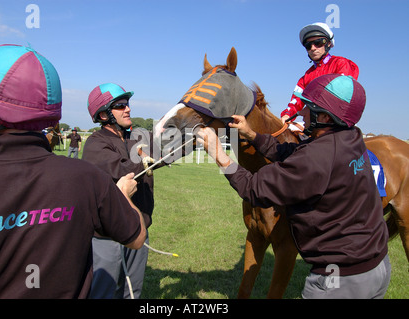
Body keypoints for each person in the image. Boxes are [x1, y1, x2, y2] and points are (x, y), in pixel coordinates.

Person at [0, 44, 146, 298]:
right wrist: (122, 195)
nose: (127, 109)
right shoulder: (88, 177)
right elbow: (135, 236)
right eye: (120, 105)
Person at [197, 74, 390, 299]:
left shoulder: (317, 158)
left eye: (309, 107)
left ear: (326, 117)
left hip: (339, 279)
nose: (302, 113)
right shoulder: (351, 137)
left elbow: (253, 188)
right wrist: (252, 135)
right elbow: (293, 152)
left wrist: (219, 154)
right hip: (378, 266)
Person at [82, 83, 161, 299]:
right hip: (108, 236)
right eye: (120, 105)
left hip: (140, 229)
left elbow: (161, 152)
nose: (128, 109)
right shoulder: (95, 144)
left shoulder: (134, 137)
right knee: (104, 293)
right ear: (103, 115)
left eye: (127, 104)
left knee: (132, 292)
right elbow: (124, 170)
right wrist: (147, 157)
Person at [281, 22, 359, 124]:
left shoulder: (341, 64)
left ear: (328, 44)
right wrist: (287, 114)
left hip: (335, 123)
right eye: (308, 45)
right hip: (315, 123)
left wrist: (311, 110)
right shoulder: (306, 76)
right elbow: (296, 100)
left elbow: (340, 96)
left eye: (318, 43)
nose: (313, 48)